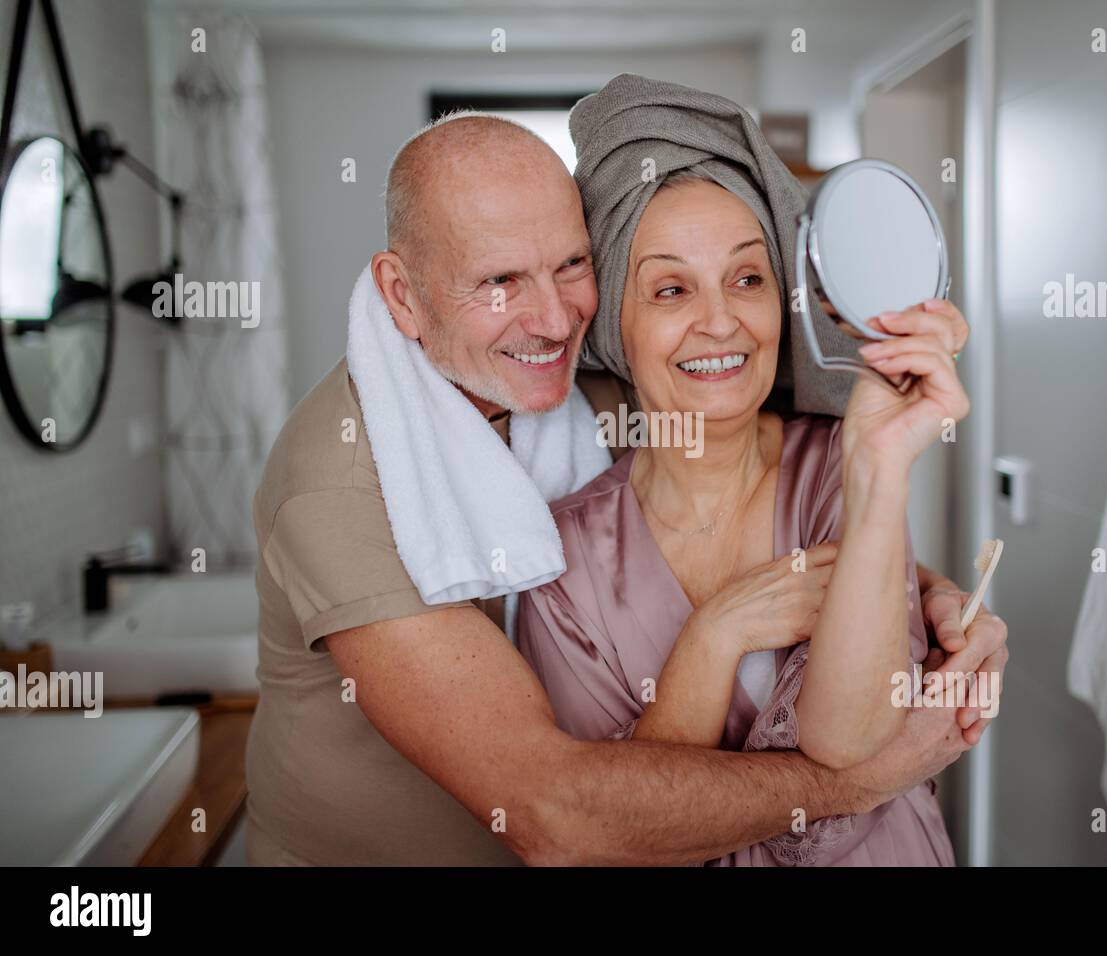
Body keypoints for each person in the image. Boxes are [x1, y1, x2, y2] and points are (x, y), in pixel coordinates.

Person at [245, 109, 1007, 866]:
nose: (552, 320)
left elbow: (788, 474)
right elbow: (557, 816)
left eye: (571, 265)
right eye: (500, 280)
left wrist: (923, 597)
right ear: (403, 295)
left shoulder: (590, 389)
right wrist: (858, 781)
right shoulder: (338, 487)